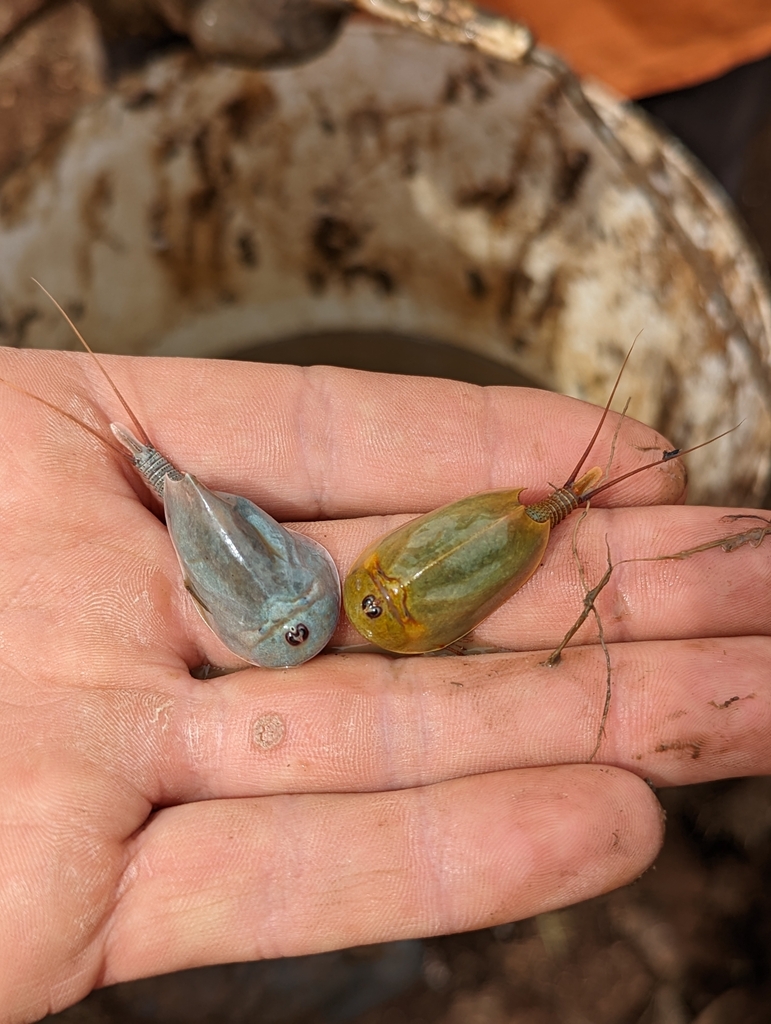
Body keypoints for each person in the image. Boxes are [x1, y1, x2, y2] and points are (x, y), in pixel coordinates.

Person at [2, 347, 769, 1022]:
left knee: (540, 518)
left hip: (467, 545)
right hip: (456, 548)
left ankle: (576, 492)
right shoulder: (349, 587)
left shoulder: (373, 583)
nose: (358, 616)